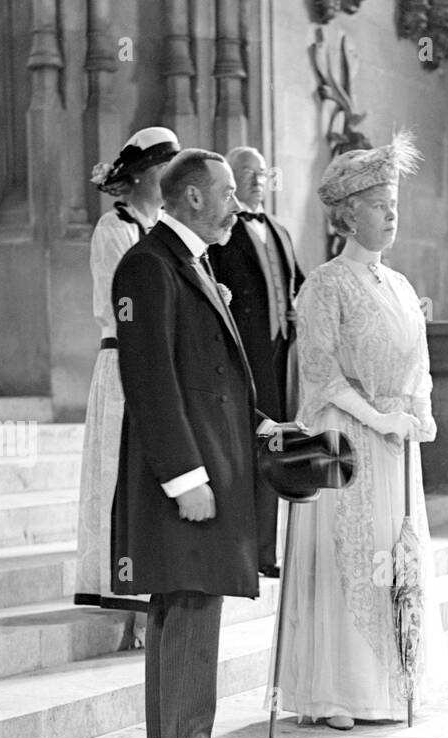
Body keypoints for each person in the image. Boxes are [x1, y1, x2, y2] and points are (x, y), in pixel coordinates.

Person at [111, 149, 278, 738]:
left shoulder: (188, 262)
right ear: (194, 198)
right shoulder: (148, 265)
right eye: (228, 191)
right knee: (189, 599)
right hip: (183, 470)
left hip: (211, 456)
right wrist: (186, 478)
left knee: (186, 599)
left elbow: (213, 374)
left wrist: (260, 422)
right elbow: (151, 380)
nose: (237, 203)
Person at [274, 132, 448, 731]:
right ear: (349, 214)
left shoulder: (400, 285)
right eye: (379, 204)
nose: (392, 214)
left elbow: (420, 360)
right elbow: (321, 374)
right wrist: (379, 419)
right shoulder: (324, 284)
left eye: (395, 203)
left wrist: (419, 412)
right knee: (354, 558)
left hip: (398, 443)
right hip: (347, 440)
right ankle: (339, 692)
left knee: (395, 557)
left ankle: (393, 681)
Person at [73, 127, 180, 615]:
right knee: (122, 474)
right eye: (163, 170)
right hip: (127, 362)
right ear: (138, 176)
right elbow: (131, 305)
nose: (170, 180)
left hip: (165, 360)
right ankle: (121, 592)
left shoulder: (170, 230)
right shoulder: (115, 230)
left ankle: (155, 585)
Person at [207, 147, 305, 579]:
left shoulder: (280, 231)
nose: (257, 179)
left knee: (275, 448)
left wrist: (299, 311)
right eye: (246, 172)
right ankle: (240, 551)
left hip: (281, 357)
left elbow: (299, 283)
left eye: (262, 172)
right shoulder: (224, 228)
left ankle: (267, 553)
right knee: (247, 451)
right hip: (243, 356)